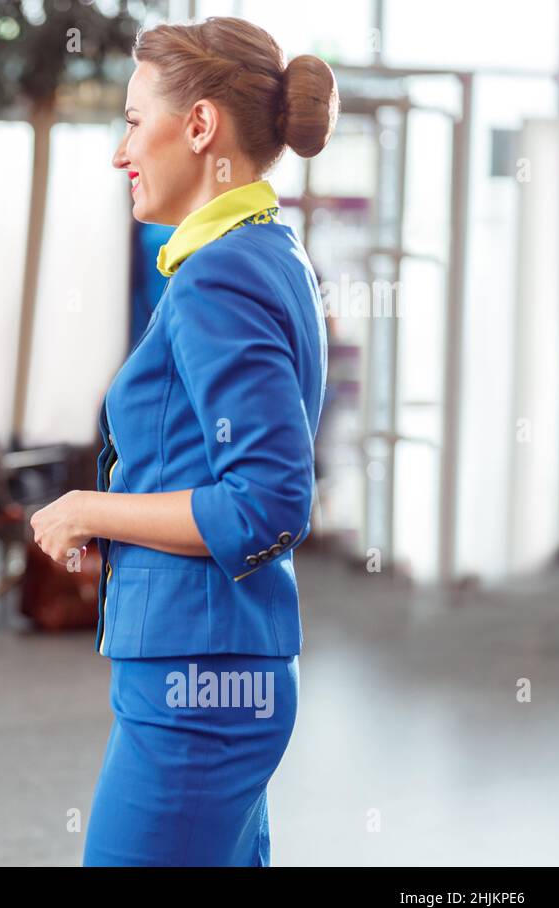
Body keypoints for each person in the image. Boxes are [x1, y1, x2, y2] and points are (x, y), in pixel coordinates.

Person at [29, 16, 338, 865]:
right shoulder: (268, 252)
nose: (120, 151)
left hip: (197, 687)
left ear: (199, 127)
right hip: (220, 669)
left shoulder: (221, 275)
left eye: (133, 121)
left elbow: (267, 502)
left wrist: (92, 507)